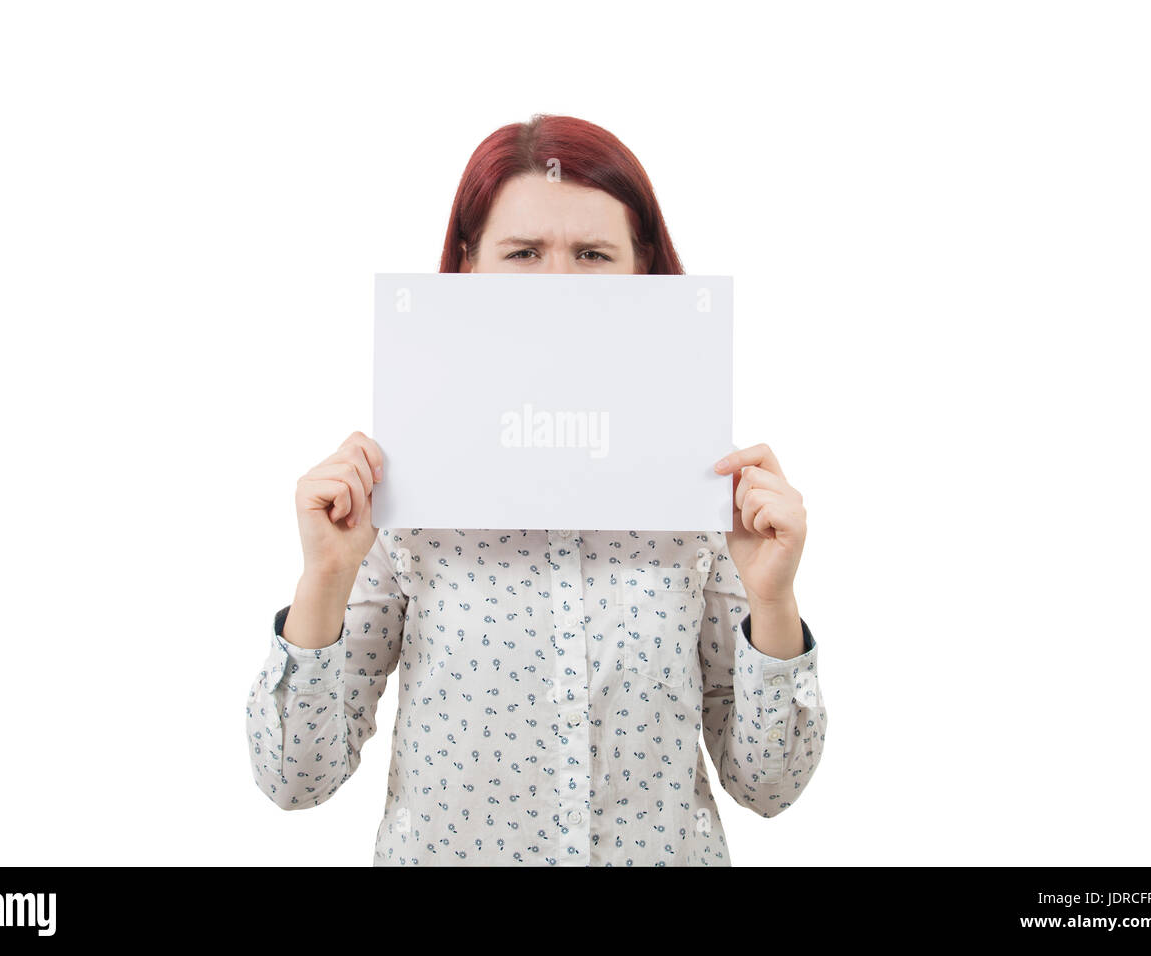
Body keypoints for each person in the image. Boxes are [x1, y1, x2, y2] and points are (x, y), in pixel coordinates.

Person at [244, 114, 827, 866]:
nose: (559, 287)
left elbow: (770, 787)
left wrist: (774, 600)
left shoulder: (705, 491)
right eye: (523, 253)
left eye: (592, 254)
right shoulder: (401, 487)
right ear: (470, 266)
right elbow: (294, 779)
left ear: (642, 268)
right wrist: (325, 575)